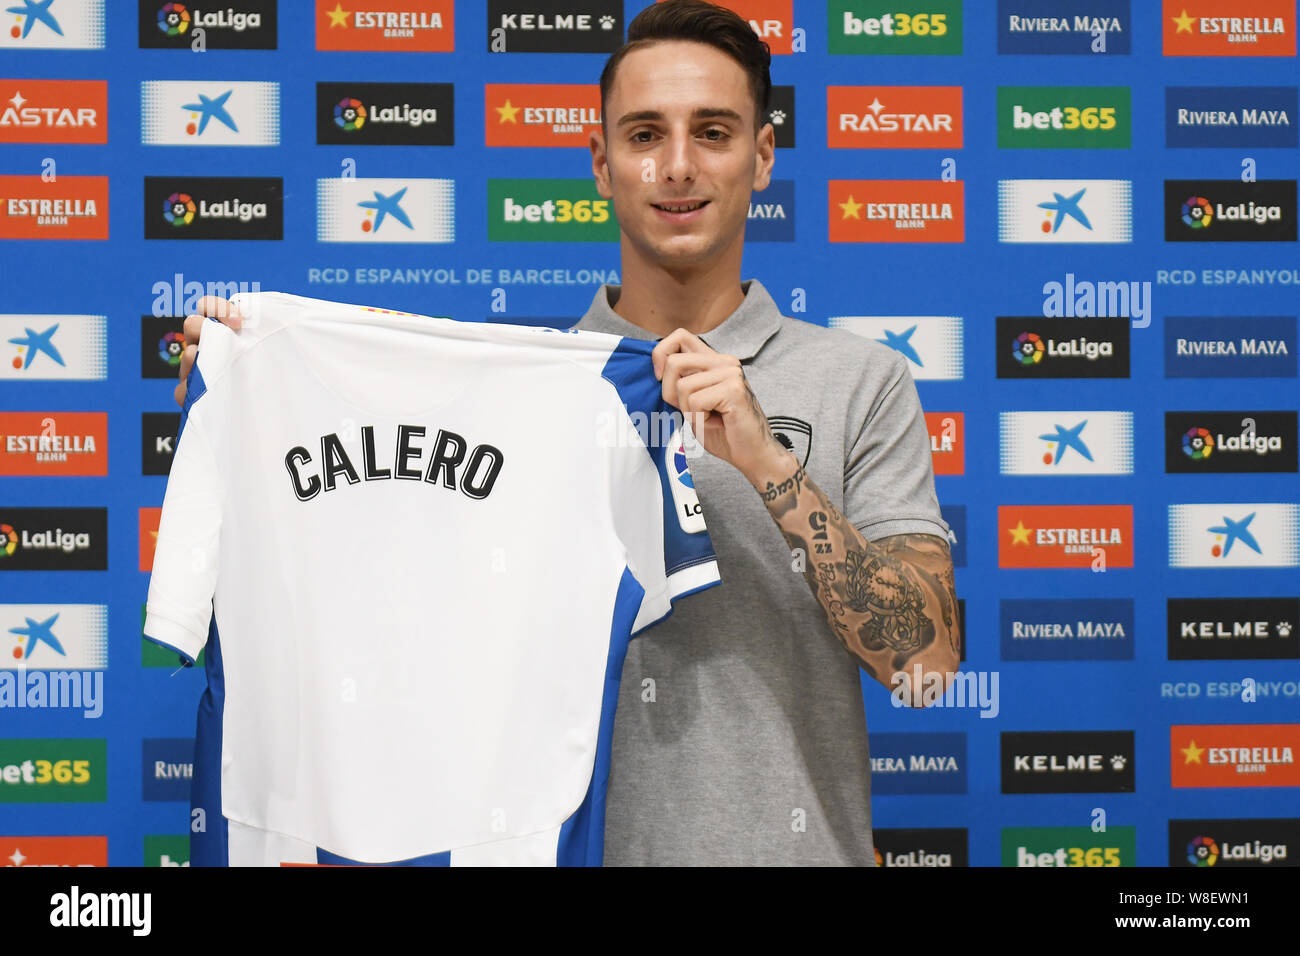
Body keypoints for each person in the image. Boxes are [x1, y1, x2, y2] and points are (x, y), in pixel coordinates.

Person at [176, 0, 959, 866]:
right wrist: (256, 399)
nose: (677, 166)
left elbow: (924, 662)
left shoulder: (862, 380)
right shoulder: (502, 395)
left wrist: (770, 467)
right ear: (601, 162)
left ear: (763, 156)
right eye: (644, 134)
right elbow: (380, 592)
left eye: (712, 131)